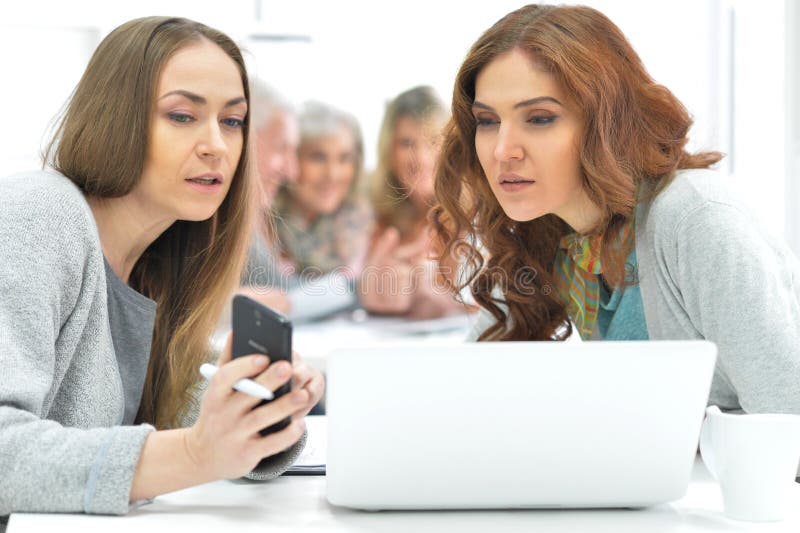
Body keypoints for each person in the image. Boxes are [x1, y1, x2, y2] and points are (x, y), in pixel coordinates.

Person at [0, 16, 323, 520]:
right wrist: (195, 454)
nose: (217, 145)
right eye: (182, 115)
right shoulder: (36, 213)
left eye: (232, 121)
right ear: (115, 119)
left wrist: (264, 410)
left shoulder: (160, 259)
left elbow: (177, 402)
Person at [431, 4, 800, 414]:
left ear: (607, 123)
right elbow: (459, 391)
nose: (503, 150)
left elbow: (789, 421)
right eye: (487, 121)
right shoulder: (552, 232)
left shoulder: (695, 219)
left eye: (539, 118)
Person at [361, 86, 468, 319]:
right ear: (389, 151)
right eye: (407, 143)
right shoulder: (377, 217)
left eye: (433, 141)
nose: (421, 157)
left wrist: (442, 303)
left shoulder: (473, 215)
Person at [269, 101, 373, 320]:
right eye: (318, 157)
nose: (332, 174)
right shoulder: (261, 222)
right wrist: (358, 290)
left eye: (344, 158)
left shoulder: (364, 223)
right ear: (291, 158)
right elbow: (277, 300)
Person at [238, 80, 300, 315]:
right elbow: (281, 296)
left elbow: (280, 292)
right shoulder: (213, 218)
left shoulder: (257, 216)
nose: (292, 172)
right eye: (281, 147)